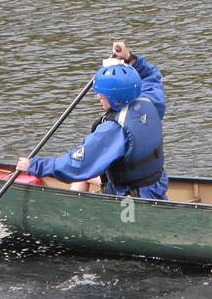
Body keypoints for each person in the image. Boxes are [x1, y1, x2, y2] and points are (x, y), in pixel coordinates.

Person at [17, 41, 168, 200]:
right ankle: (73, 205)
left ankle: (71, 214)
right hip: (156, 186)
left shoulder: (113, 129)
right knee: (86, 175)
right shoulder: (149, 101)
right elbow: (151, 77)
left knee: (81, 172)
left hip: (131, 197)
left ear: (114, 97)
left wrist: (35, 166)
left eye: (101, 93)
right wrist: (129, 58)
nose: (98, 96)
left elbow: (77, 164)